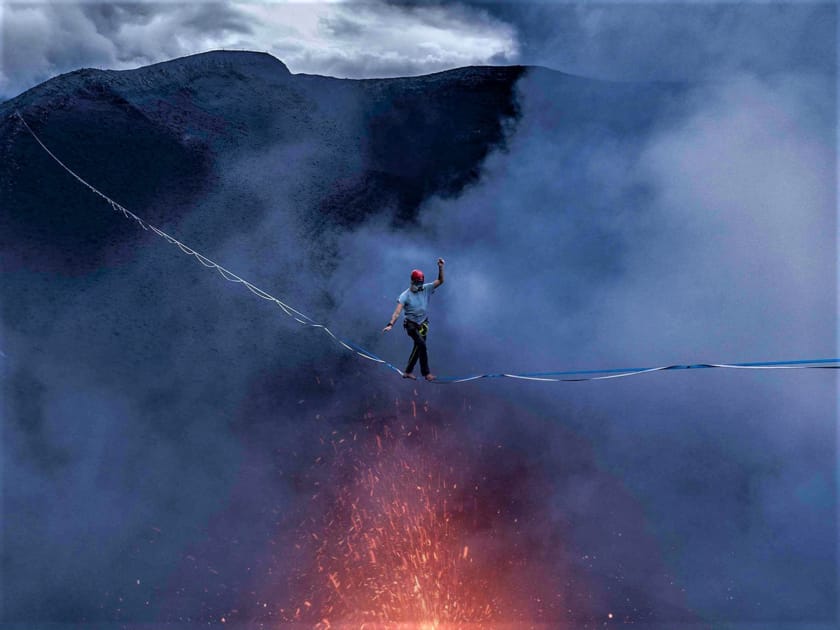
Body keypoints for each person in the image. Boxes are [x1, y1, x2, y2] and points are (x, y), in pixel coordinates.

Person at [383, 258, 445, 381]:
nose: (419, 286)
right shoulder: (405, 295)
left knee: (418, 347)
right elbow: (397, 312)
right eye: (417, 283)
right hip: (411, 325)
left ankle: (407, 372)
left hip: (423, 324)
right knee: (421, 345)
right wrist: (390, 324)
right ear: (412, 281)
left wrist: (440, 268)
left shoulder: (426, 288)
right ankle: (426, 373)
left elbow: (440, 281)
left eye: (420, 283)